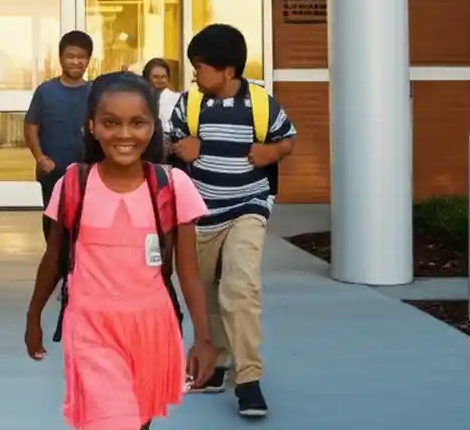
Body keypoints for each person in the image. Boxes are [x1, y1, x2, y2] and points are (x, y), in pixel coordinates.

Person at [24, 72, 216, 430]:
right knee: (113, 420)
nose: (124, 134)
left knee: (137, 422)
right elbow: (54, 258)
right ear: (92, 126)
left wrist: (204, 338)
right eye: (111, 123)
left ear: (152, 127)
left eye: (137, 123)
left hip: (152, 328)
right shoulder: (74, 184)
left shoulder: (172, 186)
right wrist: (33, 315)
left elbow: (189, 272)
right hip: (90, 327)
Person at [166, 23, 296, 418]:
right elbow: (166, 145)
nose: (194, 75)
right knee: (206, 293)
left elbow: (287, 138)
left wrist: (273, 153)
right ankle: (215, 365)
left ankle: (249, 378)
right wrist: (181, 148)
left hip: (248, 206)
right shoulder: (190, 105)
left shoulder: (261, 104)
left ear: (227, 70)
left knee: (240, 287)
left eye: (200, 67)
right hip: (201, 214)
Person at [25, 30, 94, 238]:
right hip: (53, 172)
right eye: (70, 56)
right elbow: (30, 125)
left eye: (81, 57)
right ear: (61, 58)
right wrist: (40, 158)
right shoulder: (45, 91)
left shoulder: (95, 91)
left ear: (88, 60)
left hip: (87, 173)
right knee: (54, 227)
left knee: (84, 228)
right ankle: (55, 259)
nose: (76, 62)